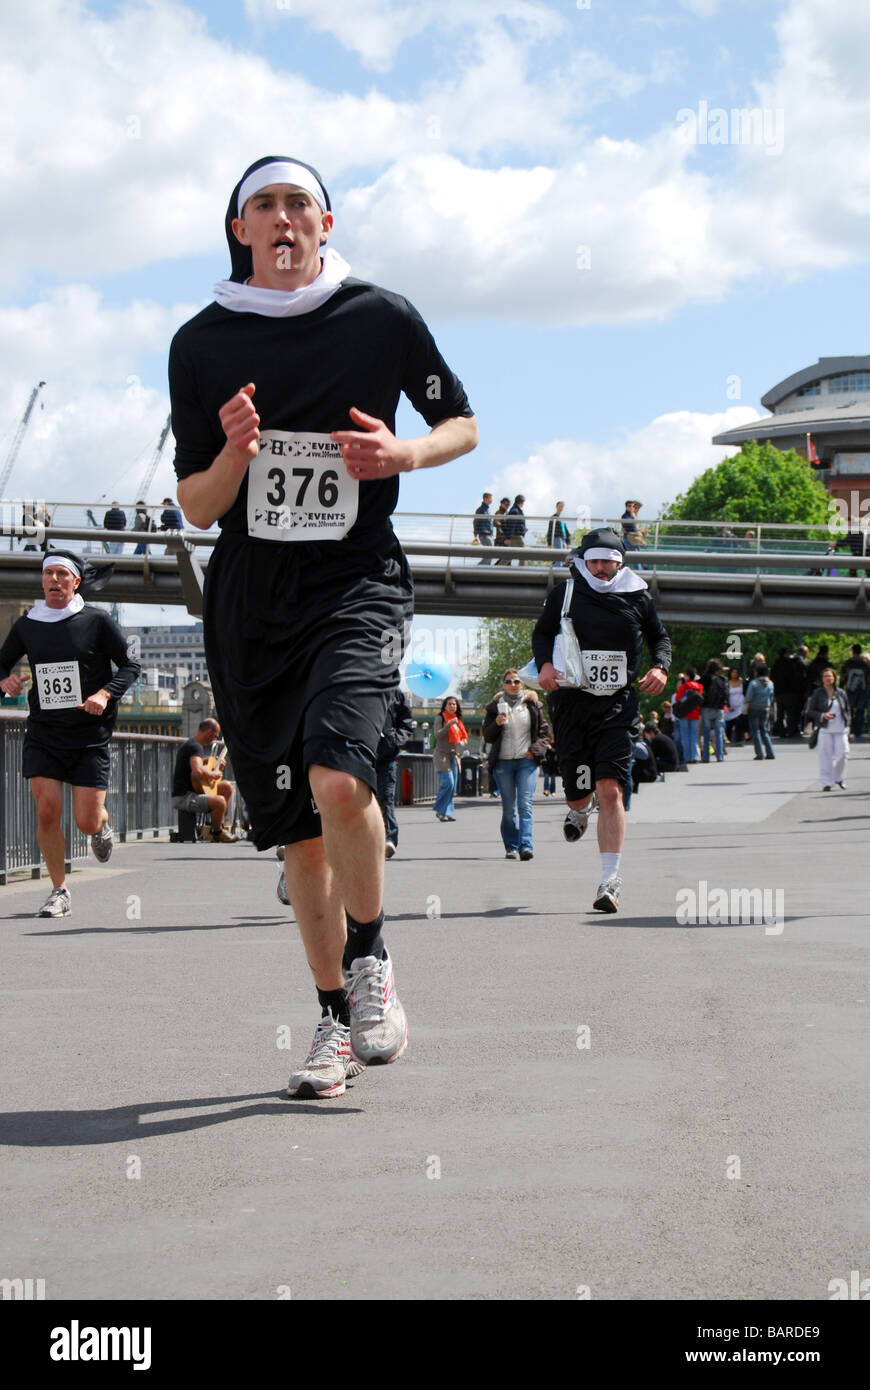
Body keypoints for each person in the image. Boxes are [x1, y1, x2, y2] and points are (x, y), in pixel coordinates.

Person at [168, 154, 477, 1099]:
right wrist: (231, 453)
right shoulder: (201, 342)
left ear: (327, 221)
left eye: (298, 201)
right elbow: (195, 505)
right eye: (263, 205)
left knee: (342, 774)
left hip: (355, 581)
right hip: (252, 602)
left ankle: (374, 955)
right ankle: (334, 1020)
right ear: (240, 231)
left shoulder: (379, 317)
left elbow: (461, 421)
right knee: (300, 836)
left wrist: (404, 453)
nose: (282, 217)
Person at [532, 528, 671, 912]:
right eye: (594, 561)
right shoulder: (566, 593)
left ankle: (610, 881)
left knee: (611, 789)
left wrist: (661, 666)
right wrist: (545, 665)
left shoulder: (638, 596)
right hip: (573, 705)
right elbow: (542, 633)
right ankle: (579, 809)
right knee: (579, 790)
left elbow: (660, 638)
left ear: (620, 562)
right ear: (583, 561)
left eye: (608, 561)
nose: (601, 568)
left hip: (617, 706)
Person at [0, 550, 141, 917]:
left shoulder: (95, 620)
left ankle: (100, 824)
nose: (55, 581)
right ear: (43, 581)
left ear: (76, 582)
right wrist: (6, 680)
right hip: (44, 731)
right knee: (47, 811)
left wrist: (104, 693)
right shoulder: (28, 624)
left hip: (89, 735)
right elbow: (1, 664)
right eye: (49, 575)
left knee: (85, 820)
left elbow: (130, 664)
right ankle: (59, 891)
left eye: (63, 575)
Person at [482, 671, 552, 861]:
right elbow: (487, 736)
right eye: (508, 681)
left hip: (525, 761)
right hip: (503, 761)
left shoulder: (532, 705)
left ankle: (526, 846)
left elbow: (544, 734)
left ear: (522, 683)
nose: (513, 684)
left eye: (516, 681)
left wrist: (535, 750)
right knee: (508, 807)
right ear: (503, 684)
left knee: (525, 804)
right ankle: (511, 847)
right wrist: (496, 723)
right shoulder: (494, 706)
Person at [171, 716, 236, 842]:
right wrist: (214, 774)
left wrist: (214, 764)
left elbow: (199, 767)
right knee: (220, 801)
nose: (215, 739)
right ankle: (216, 832)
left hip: (193, 792)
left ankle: (218, 824)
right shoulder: (195, 747)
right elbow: (198, 771)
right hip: (184, 797)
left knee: (227, 787)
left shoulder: (193, 746)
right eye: (215, 736)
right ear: (209, 733)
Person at [376, 686, 413, 856]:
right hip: (361, 753)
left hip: (386, 755)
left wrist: (394, 741)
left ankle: (389, 838)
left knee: (386, 796)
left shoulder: (396, 693)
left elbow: (406, 723)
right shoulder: (359, 685)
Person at [807, 667, 850, 790]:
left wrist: (848, 724)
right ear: (822, 679)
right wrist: (822, 715)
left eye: (830, 676)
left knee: (843, 754)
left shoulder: (841, 692)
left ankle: (838, 777)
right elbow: (810, 711)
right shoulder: (818, 693)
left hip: (840, 728)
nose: (828, 678)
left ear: (834, 678)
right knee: (825, 756)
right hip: (825, 728)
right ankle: (827, 782)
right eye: (825, 676)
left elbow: (847, 710)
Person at [433, 695, 467, 821]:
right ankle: (439, 809)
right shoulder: (440, 718)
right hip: (442, 755)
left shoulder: (458, 720)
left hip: (454, 756)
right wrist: (448, 725)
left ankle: (448, 813)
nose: (452, 706)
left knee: (453, 786)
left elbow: (461, 736)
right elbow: (438, 735)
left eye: (454, 704)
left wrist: (463, 740)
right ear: (445, 706)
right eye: (449, 704)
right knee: (448, 782)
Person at [744, 662, 776, 760]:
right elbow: (771, 697)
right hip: (765, 708)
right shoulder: (770, 683)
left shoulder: (753, 683)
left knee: (756, 731)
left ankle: (759, 753)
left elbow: (748, 697)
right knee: (764, 731)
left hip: (754, 708)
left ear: (757, 672)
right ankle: (770, 752)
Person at [699, 658, 728, 763]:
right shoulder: (722, 679)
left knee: (706, 733)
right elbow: (726, 694)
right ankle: (720, 756)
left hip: (706, 707)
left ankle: (706, 756)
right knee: (718, 733)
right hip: (719, 708)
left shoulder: (705, 678)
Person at [673, 667, 703, 764]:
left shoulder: (684, 686)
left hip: (684, 714)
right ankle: (695, 756)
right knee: (694, 736)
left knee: (685, 736)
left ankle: (687, 758)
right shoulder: (699, 686)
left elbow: (677, 698)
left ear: (688, 676)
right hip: (695, 714)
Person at [839, 643, 870, 739]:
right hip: (862, 690)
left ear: (852, 651)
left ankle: (849, 728)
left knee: (849, 710)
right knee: (860, 710)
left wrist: (840, 688)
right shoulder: (865, 664)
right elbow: (868, 679)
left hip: (850, 690)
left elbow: (843, 677)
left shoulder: (847, 663)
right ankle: (858, 731)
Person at [500, 494, 527, 564]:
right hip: (517, 537)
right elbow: (511, 525)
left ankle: (497, 570)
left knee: (509, 556)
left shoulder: (515, 510)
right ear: (521, 502)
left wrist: (523, 529)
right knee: (524, 555)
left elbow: (515, 524)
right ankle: (523, 573)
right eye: (523, 502)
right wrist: (508, 537)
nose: (524, 504)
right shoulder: (515, 511)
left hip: (515, 536)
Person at [724, 668, 747, 745]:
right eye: (733, 672)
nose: (735, 674)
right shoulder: (727, 683)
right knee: (729, 723)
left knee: (739, 722)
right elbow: (726, 695)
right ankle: (728, 739)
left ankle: (739, 740)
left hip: (740, 705)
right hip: (730, 706)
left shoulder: (741, 682)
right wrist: (728, 705)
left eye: (736, 672)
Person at [473, 491, 495, 565]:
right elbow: (476, 522)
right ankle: (478, 568)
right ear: (485, 499)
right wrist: (475, 535)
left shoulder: (488, 509)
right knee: (490, 553)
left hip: (489, 535)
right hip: (484, 535)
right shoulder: (481, 510)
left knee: (489, 554)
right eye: (490, 498)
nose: (491, 500)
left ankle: (484, 569)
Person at [493, 497, 511, 563]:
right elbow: (495, 523)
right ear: (501, 504)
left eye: (508, 505)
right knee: (505, 559)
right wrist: (502, 525)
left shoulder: (507, 513)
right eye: (506, 504)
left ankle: (496, 571)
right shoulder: (499, 513)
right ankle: (494, 571)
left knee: (506, 559)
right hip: (501, 539)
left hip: (505, 538)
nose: (507, 506)